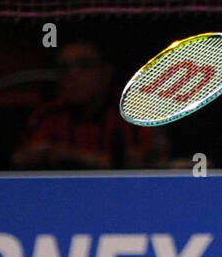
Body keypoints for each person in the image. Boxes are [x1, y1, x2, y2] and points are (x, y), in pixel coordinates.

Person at [13, 39, 167, 170]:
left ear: (106, 72)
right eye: (64, 68)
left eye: (85, 66)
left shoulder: (136, 112)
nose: (72, 75)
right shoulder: (47, 115)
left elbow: (154, 161)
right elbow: (22, 158)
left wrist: (72, 155)